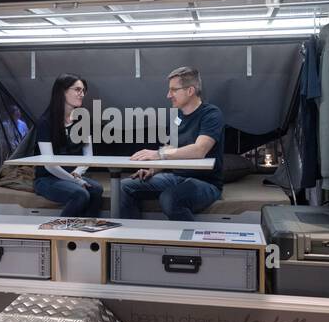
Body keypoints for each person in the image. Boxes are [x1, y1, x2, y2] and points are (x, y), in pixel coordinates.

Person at [119, 66, 224, 221]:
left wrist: (158, 154)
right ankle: (131, 237)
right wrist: (153, 170)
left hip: (206, 183)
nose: (168, 95)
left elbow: (199, 150)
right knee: (124, 186)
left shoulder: (211, 114)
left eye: (174, 90)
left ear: (190, 91)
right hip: (176, 176)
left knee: (170, 198)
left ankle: (190, 243)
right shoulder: (177, 117)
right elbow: (171, 148)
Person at [32, 74, 103, 217]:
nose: (82, 94)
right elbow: (49, 165)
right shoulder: (45, 122)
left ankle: (87, 230)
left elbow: (88, 156)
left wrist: (78, 173)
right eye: (77, 90)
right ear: (62, 91)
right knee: (80, 194)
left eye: (83, 91)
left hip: (72, 174)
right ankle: (59, 232)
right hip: (48, 178)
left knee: (97, 189)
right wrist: (75, 181)